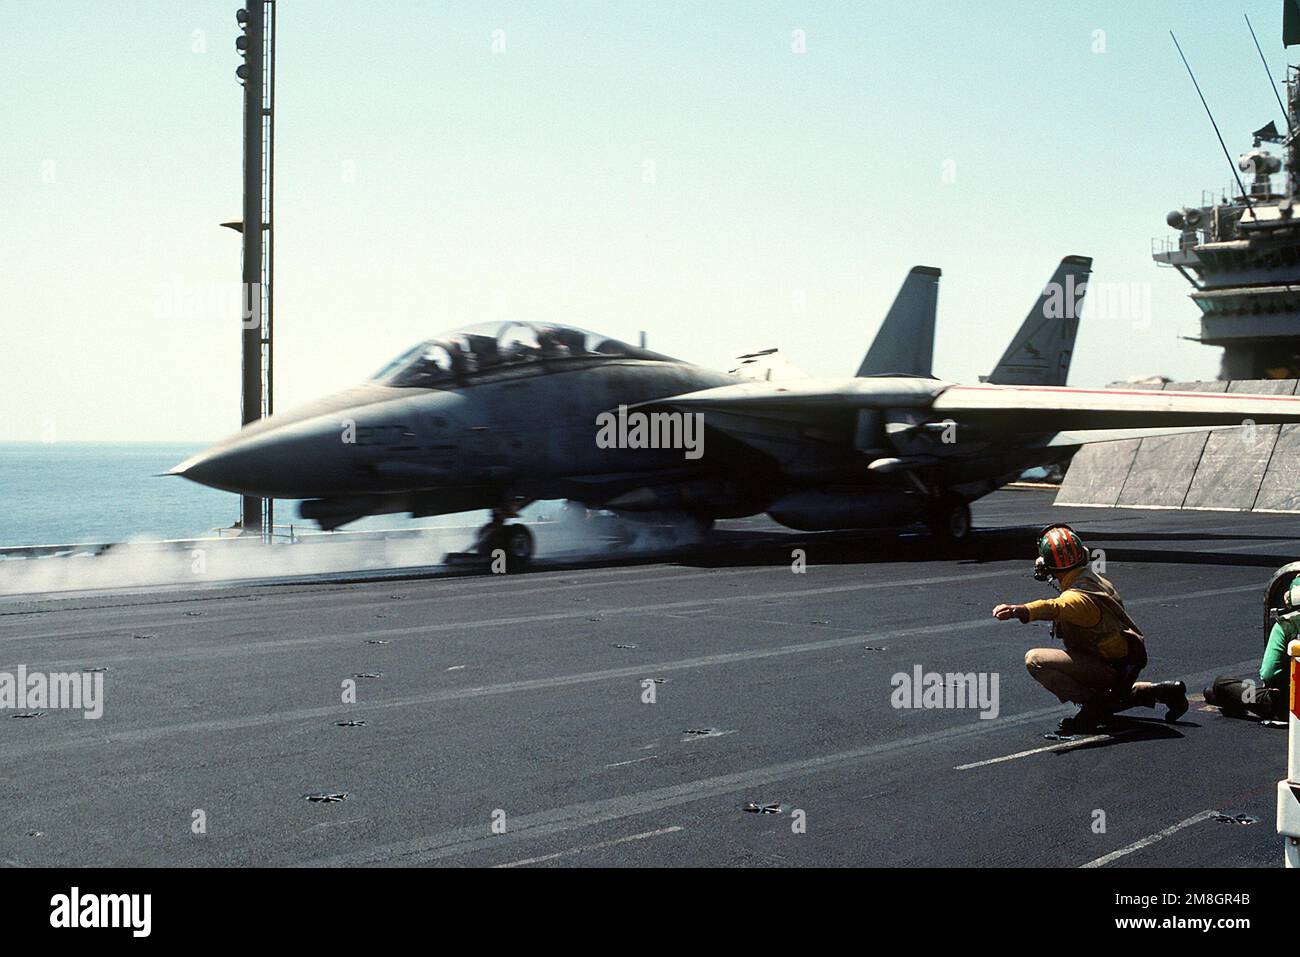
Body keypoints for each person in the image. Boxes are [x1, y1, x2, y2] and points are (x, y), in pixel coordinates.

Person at [992, 524, 1188, 735]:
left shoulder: (1077, 597)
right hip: (1122, 663)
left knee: (1036, 660)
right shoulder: (1091, 578)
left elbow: (1055, 607)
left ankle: (1095, 707)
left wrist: (1017, 610)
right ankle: (1161, 692)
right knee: (1108, 693)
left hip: (1110, 668)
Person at [1203, 582, 1297, 721]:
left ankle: (1224, 696)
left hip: (1288, 703)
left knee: (1222, 683)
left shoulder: (1287, 625)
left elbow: (1268, 675)